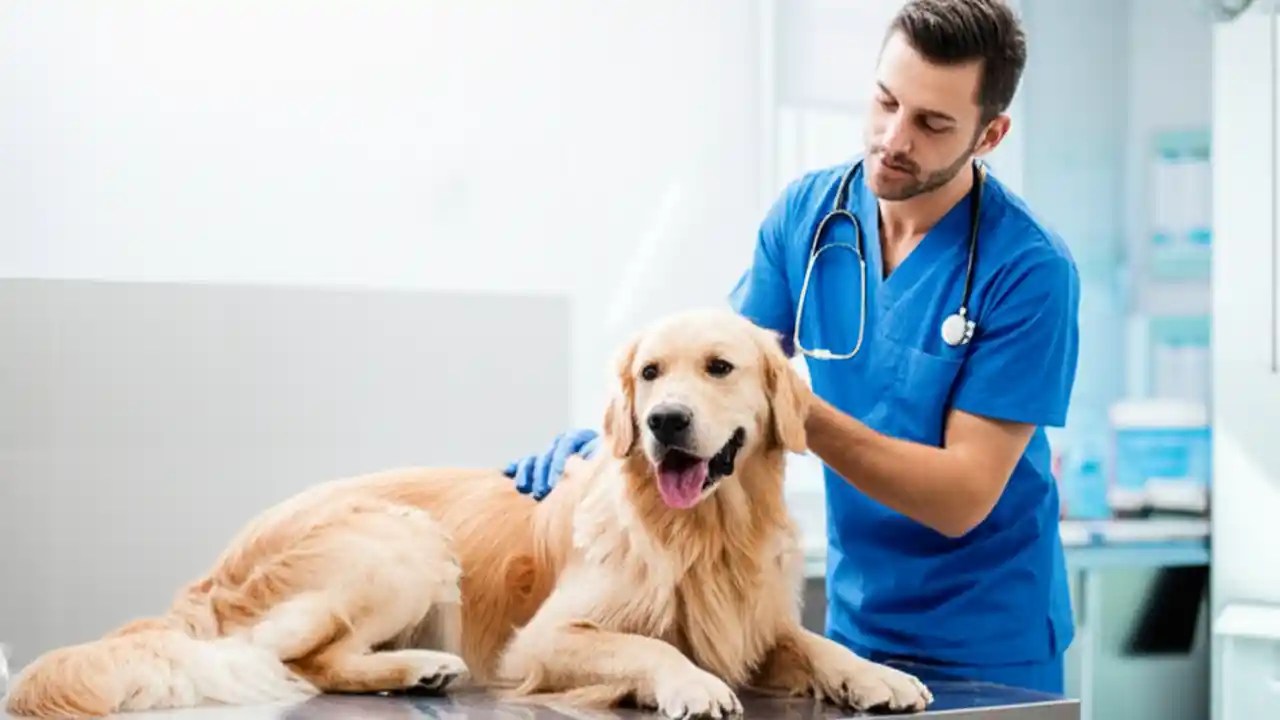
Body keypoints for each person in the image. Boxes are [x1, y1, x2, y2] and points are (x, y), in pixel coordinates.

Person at [504, 0, 1079, 696]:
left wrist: (792, 410)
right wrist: (615, 437)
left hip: (989, 640)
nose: (893, 138)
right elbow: (726, 371)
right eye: (884, 101)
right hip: (856, 622)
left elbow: (961, 496)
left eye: (931, 124)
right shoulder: (808, 215)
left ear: (989, 134)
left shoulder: (1029, 269)